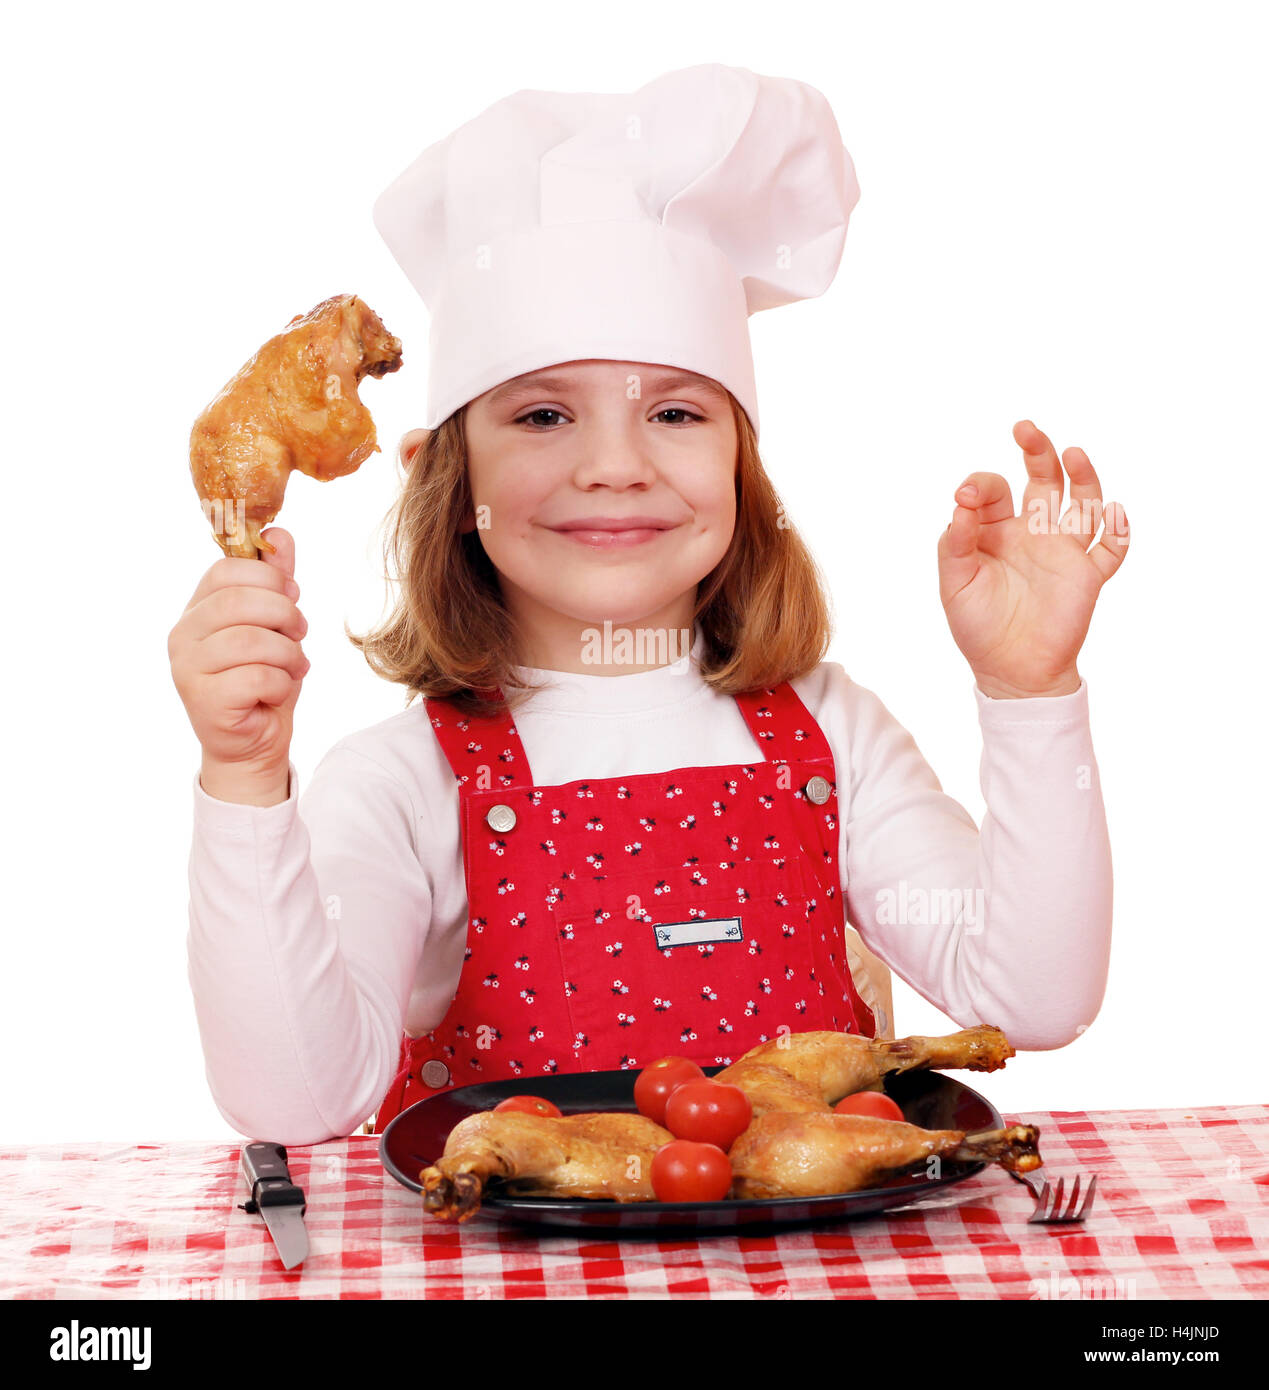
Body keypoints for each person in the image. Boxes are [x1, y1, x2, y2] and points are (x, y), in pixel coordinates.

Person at [169, 64, 1127, 1145]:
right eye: (540, 416)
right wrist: (244, 784)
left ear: (739, 466)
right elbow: (296, 1099)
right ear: (451, 477)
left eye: (675, 411)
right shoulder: (401, 782)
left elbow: (1038, 999)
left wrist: (1028, 688)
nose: (615, 465)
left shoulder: (832, 730)